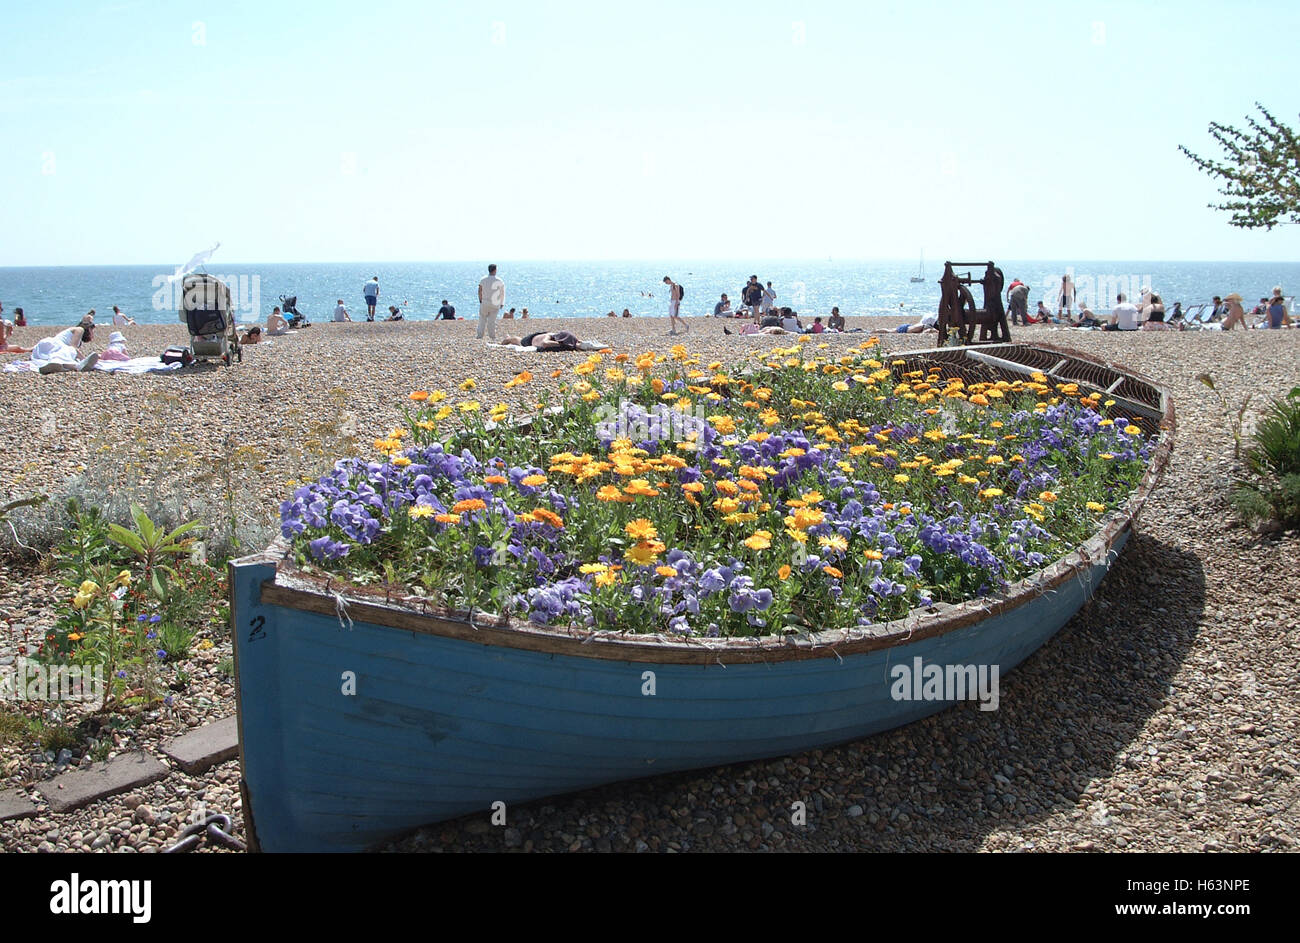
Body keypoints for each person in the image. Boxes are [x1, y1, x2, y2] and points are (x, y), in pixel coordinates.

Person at [31, 319, 99, 373]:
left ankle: (56, 366)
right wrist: (84, 359)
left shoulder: (72, 332)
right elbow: (73, 347)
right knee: (71, 351)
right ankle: (78, 366)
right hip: (54, 345)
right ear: (89, 329)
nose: (92, 333)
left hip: (45, 347)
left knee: (65, 357)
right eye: (92, 331)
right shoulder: (80, 329)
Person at [478, 264, 505, 342]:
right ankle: (492, 336)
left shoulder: (483, 280)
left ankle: (480, 335)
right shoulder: (499, 280)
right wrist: (502, 302)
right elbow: (502, 293)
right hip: (495, 303)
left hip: (485, 301)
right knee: (492, 320)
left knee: (482, 319)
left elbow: (480, 290)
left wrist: (480, 300)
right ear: (495, 270)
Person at [500, 330, 581, 350]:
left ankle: (509, 338)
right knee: (518, 341)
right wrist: (563, 345)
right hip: (530, 340)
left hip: (538, 337)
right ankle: (508, 339)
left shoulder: (556, 337)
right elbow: (545, 343)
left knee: (517, 340)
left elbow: (576, 341)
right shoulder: (549, 336)